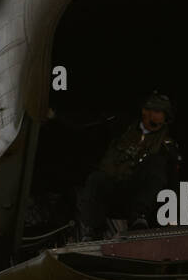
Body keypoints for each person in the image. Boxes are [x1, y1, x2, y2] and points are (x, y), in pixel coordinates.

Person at [76, 92, 179, 240]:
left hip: (142, 200)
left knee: (155, 165)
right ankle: (92, 229)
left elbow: (173, 183)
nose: (150, 115)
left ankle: (139, 218)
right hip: (115, 188)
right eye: (148, 109)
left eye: (156, 111)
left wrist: (172, 218)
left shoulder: (166, 146)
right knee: (96, 179)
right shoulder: (123, 129)